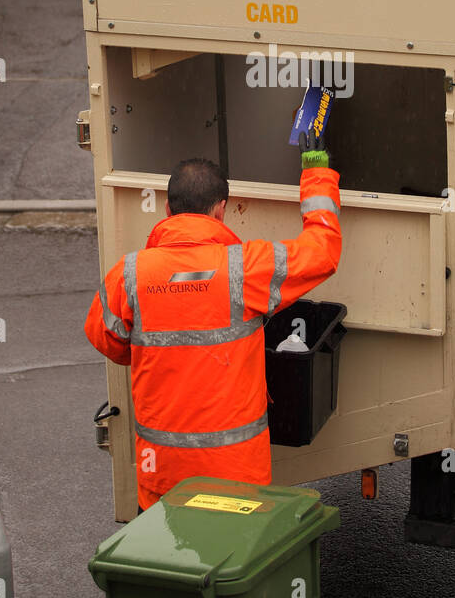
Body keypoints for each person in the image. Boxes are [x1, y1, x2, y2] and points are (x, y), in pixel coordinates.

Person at [84, 131, 341, 511]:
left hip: (162, 478)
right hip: (236, 480)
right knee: (229, 567)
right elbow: (323, 252)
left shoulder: (130, 275)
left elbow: (105, 339)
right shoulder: (246, 269)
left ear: (168, 211)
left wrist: (157, 349)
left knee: (168, 564)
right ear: (221, 209)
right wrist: (316, 170)